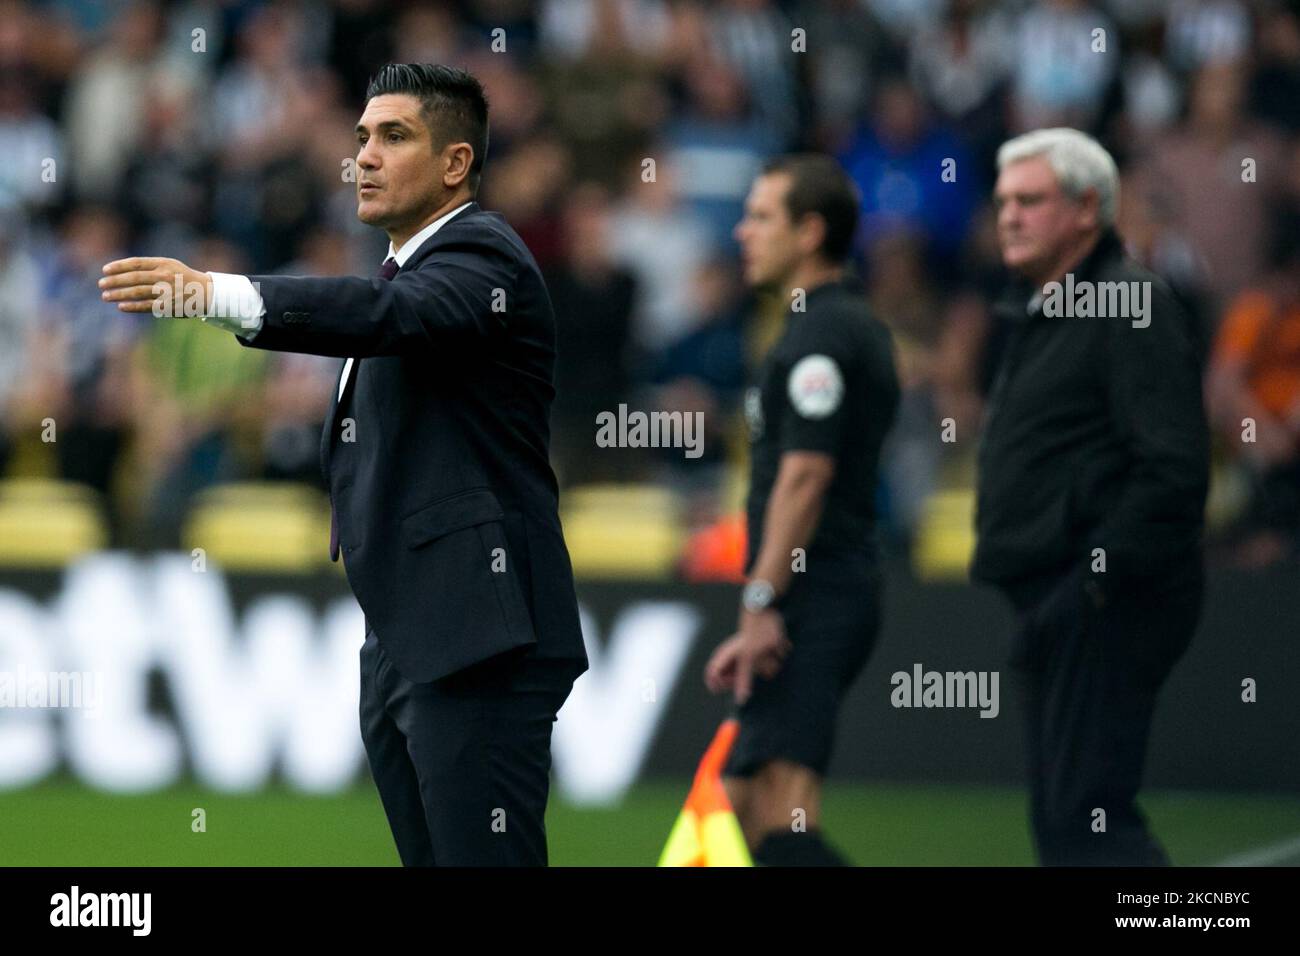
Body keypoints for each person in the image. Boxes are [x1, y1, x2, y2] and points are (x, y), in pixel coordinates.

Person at [99, 63, 588, 866]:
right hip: (412, 638)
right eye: (361, 136)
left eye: (395, 137)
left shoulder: (482, 255)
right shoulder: (411, 273)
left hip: (480, 637)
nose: (364, 155)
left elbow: (386, 317)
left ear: (456, 163)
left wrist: (217, 294)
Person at [974, 128, 1208, 866]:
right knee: (1068, 822)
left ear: (1086, 209)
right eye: (1004, 200)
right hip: (1063, 598)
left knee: (1088, 818)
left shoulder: (1130, 303)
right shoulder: (1048, 308)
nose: (1009, 215)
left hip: (1105, 599)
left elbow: (1173, 467)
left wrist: (1093, 580)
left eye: (1030, 200)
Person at [704, 154, 900, 866]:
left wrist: (762, 601)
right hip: (818, 589)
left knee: (782, 805)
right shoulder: (833, 325)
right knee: (748, 798)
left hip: (817, 592)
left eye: (760, 217)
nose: (741, 232)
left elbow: (807, 475)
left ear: (810, 231)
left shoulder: (822, 334)